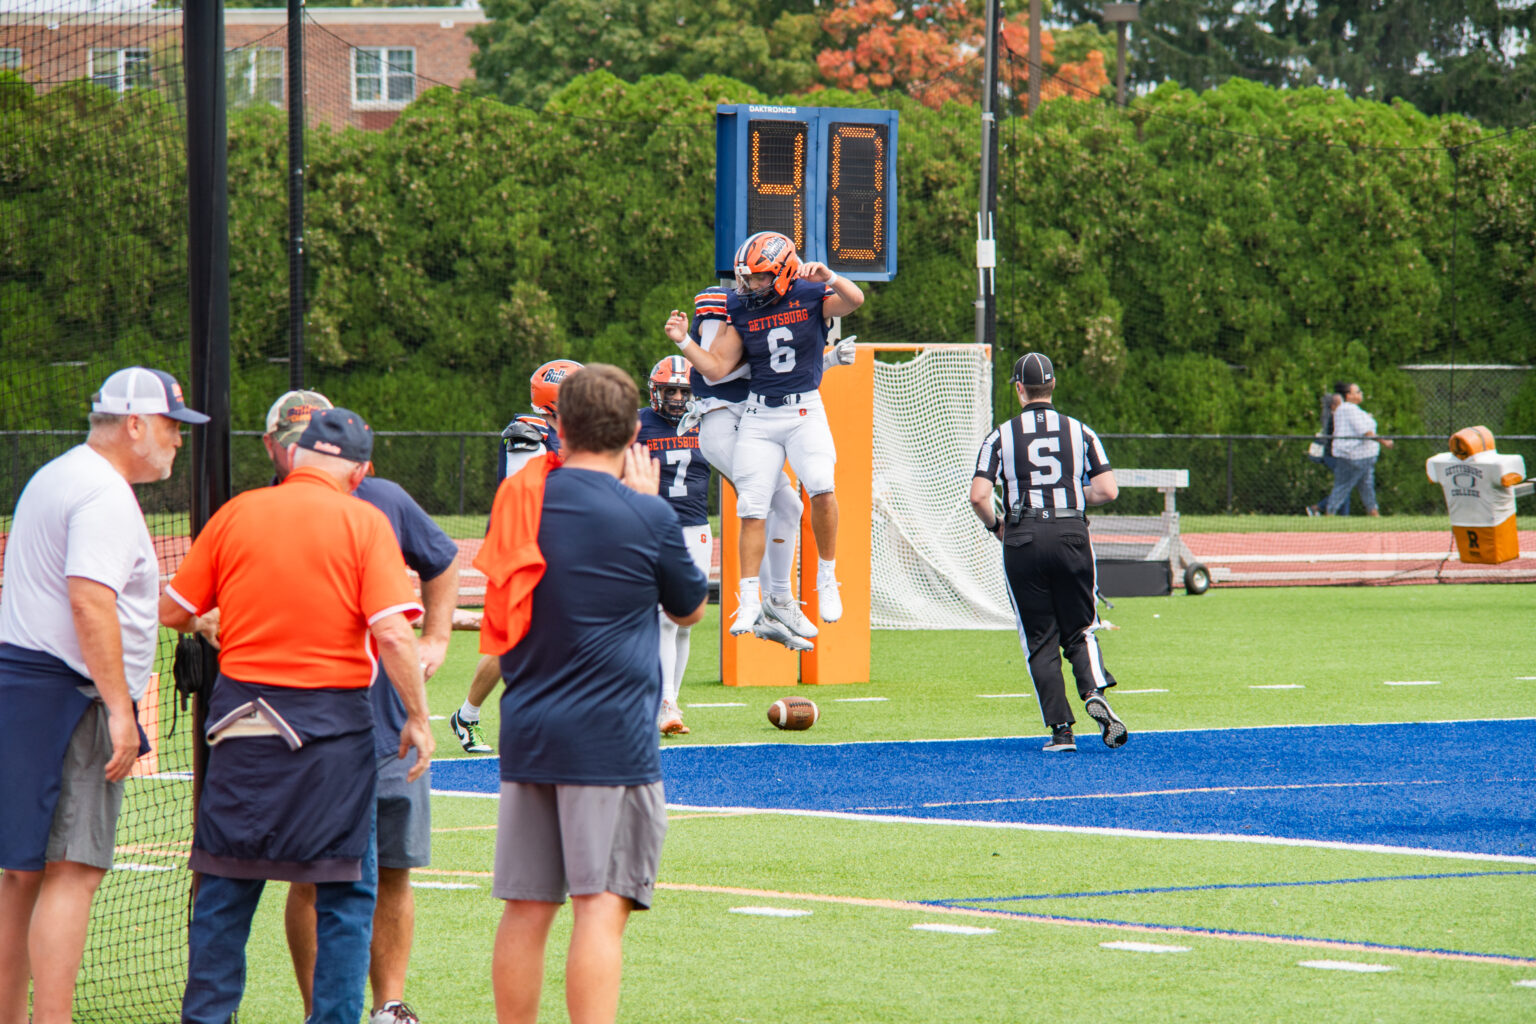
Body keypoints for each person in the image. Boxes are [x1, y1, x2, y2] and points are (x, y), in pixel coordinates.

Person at [160, 408, 435, 1024]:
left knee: (225, 887)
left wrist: (212, 619)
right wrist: (418, 717)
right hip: (330, 730)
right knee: (344, 892)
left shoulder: (237, 513)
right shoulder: (363, 521)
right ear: (360, 472)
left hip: (243, 724)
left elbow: (174, 610)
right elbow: (393, 633)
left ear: (292, 456)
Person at [476, 364, 707, 1024]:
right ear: (634, 432)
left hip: (529, 727)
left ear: (560, 426)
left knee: (526, 909)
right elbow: (689, 609)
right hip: (611, 739)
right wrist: (650, 505)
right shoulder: (646, 512)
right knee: (600, 907)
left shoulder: (519, 499)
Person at [0, 367, 208, 1024]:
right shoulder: (104, 493)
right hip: (71, 695)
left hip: (25, 687)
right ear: (136, 424)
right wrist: (122, 708)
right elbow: (90, 600)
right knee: (74, 868)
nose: (178, 440)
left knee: (22, 872)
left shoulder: (58, 475)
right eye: (172, 426)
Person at [261, 391, 460, 1024]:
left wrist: (437, 637)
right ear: (272, 447)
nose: (302, 453)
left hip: (388, 723)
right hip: (306, 729)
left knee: (394, 868)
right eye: (291, 441)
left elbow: (442, 560)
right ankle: (317, 1011)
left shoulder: (384, 500)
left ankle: (388, 1006)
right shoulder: (260, 512)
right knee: (310, 874)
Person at [665, 231, 864, 641]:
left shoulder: (809, 292)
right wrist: (683, 340)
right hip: (754, 414)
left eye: (759, 277)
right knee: (754, 507)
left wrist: (831, 277)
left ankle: (824, 579)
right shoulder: (738, 307)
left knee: (818, 487)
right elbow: (719, 369)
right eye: (747, 278)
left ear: (785, 272)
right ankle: (754, 598)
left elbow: (853, 301)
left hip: (802, 409)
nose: (750, 285)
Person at [968, 353, 1130, 753]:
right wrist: (1071, 495)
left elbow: (978, 496)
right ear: (1053, 385)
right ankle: (1093, 690)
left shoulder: (1000, 436)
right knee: (1081, 626)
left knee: (1039, 637)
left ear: (1019, 389)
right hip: (1071, 532)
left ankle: (1061, 731)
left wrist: (996, 526)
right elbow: (1108, 490)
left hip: (1022, 536)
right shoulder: (1081, 431)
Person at [451, 358, 583, 753]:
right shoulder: (530, 430)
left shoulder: (574, 433)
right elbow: (528, 493)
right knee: (514, 638)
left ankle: (473, 716)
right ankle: (474, 715)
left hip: (556, 544)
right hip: (520, 546)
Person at [638, 355, 713, 734]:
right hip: (654, 528)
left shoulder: (708, 420)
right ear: (656, 391)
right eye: (671, 391)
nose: (678, 398)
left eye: (684, 391)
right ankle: (666, 703)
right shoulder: (637, 425)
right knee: (666, 619)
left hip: (697, 530)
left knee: (685, 623)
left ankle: (671, 700)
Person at [1325, 381, 1394, 517]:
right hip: (1353, 456)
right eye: (1357, 392)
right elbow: (1365, 432)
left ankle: (1373, 512)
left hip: (1364, 456)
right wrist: (1384, 442)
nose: (1361, 394)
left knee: (1366, 486)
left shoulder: (1350, 410)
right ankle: (1330, 513)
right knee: (1343, 486)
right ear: (1348, 395)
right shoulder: (1349, 409)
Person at [1305, 389, 1351, 517]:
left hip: (1336, 455)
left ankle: (1342, 515)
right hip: (1332, 456)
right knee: (1344, 486)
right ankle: (1318, 507)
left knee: (1345, 486)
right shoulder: (1333, 419)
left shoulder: (1336, 417)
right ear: (1334, 406)